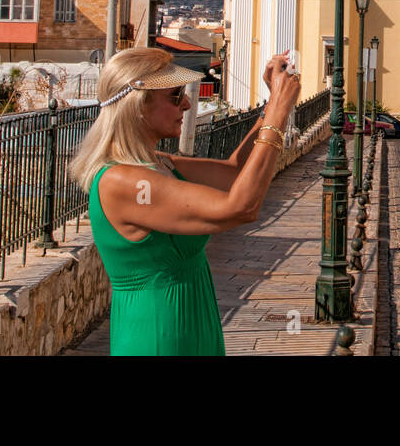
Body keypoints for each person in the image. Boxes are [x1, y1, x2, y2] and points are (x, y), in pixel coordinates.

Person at [67, 46, 302, 355]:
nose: (188, 104)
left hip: (189, 329)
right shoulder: (122, 182)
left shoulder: (157, 165)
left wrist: (272, 104)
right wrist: (279, 112)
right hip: (159, 337)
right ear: (138, 105)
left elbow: (236, 174)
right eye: (175, 96)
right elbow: (241, 206)